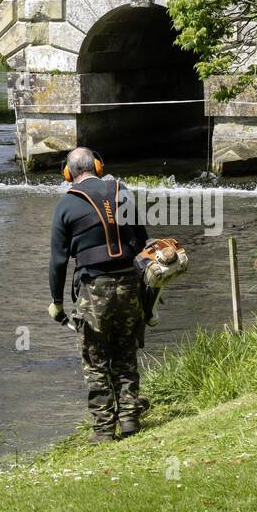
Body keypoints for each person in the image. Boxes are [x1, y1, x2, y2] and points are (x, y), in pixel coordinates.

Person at [48, 147, 147, 443]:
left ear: (68, 174)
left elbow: (57, 261)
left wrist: (56, 302)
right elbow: (142, 241)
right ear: (98, 166)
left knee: (95, 357)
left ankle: (103, 428)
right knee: (126, 352)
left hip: (93, 288)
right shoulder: (122, 191)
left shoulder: (66, 204)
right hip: (130, 284)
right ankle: (129, 418)